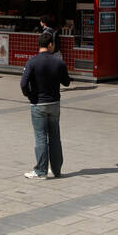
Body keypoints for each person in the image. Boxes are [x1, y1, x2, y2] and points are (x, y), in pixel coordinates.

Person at [20, 30, 70, 179]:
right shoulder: (59, 62)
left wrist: (29, 95)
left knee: (41, 137)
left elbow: (23, 83)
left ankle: (41, 170)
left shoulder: (32, 61)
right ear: (50, 45)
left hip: (38, 104)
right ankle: (56, 170)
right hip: (54, 104)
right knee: (55, 137)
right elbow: (66, 82)